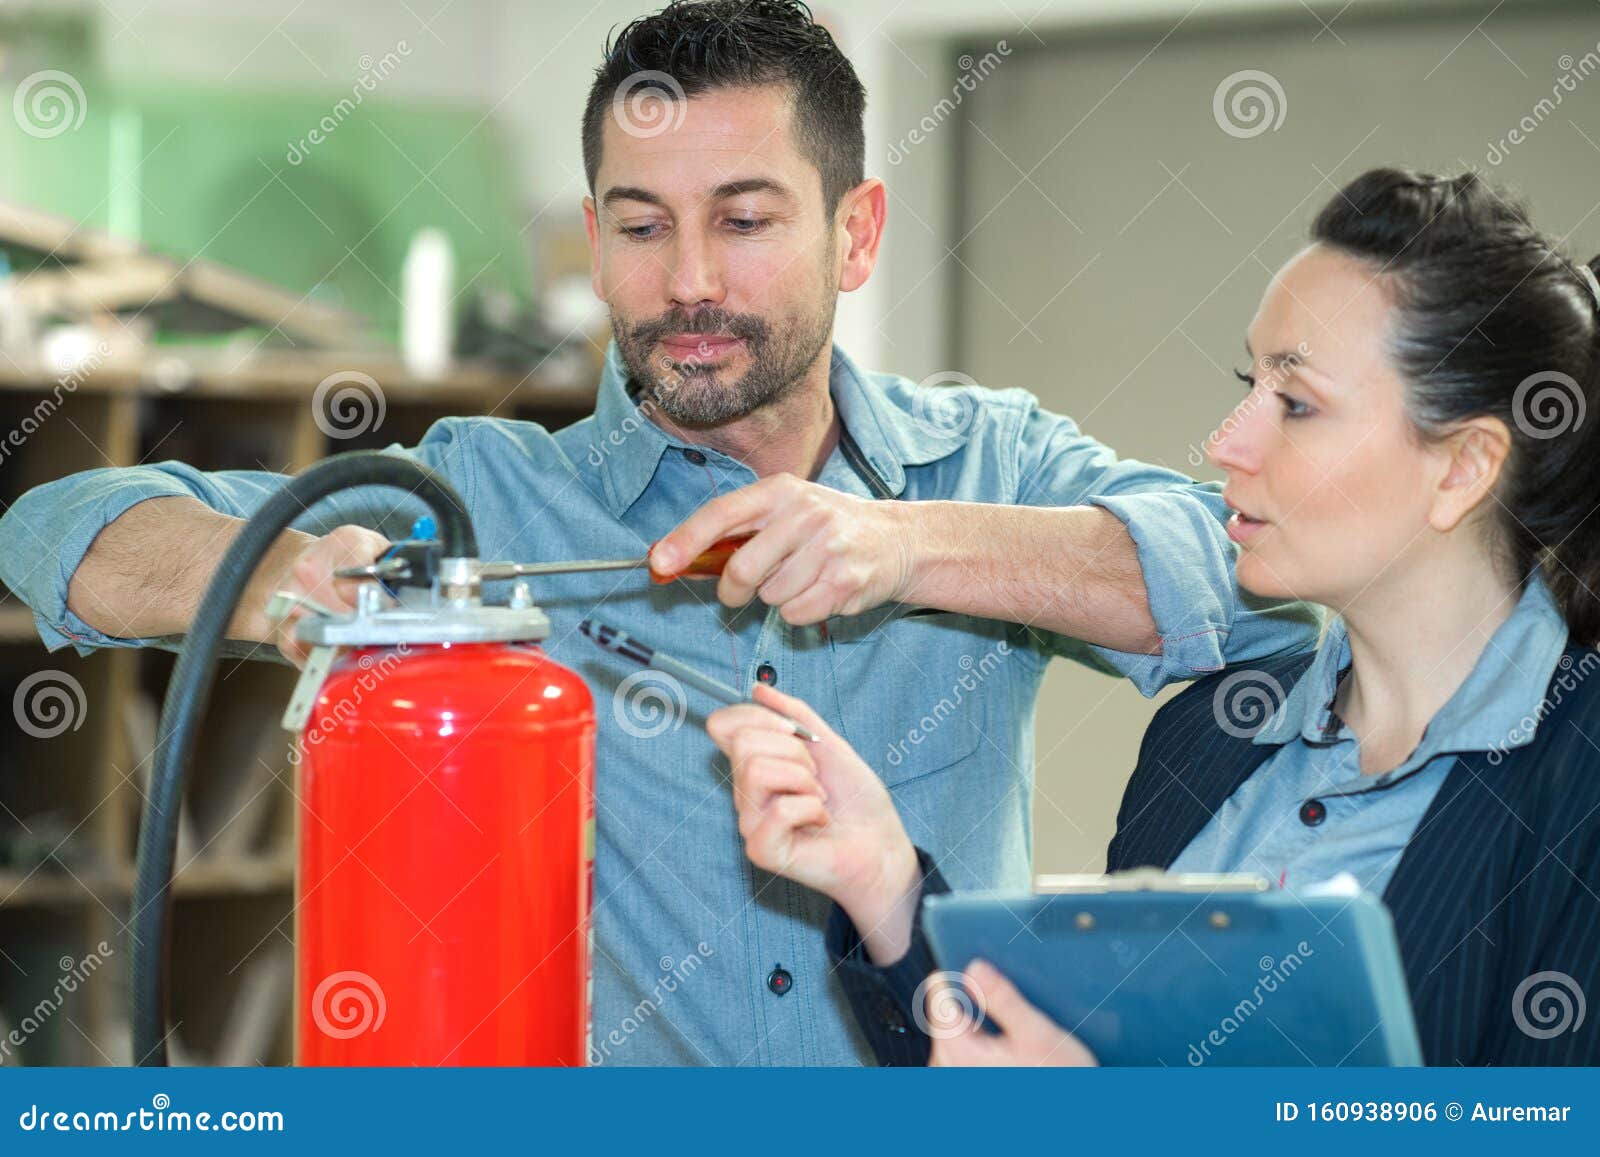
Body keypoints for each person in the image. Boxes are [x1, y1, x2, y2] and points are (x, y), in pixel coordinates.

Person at [0, 0, 1316, 1066]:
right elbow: (53, 527)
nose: (688, 281)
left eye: (743, 220)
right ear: (594, 239)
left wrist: (911, 546)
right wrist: (280, 572)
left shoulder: (990, 462)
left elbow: (1257, 578)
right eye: (642, 226)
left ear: (855, 233)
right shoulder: (486, 497)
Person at [709, 167, 1600, 1067]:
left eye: (1296, 404)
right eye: (1250, 383)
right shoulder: (1208, 736)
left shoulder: (1580, 781)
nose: (1228, 442)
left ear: (1462, 466)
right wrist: (884, 881)